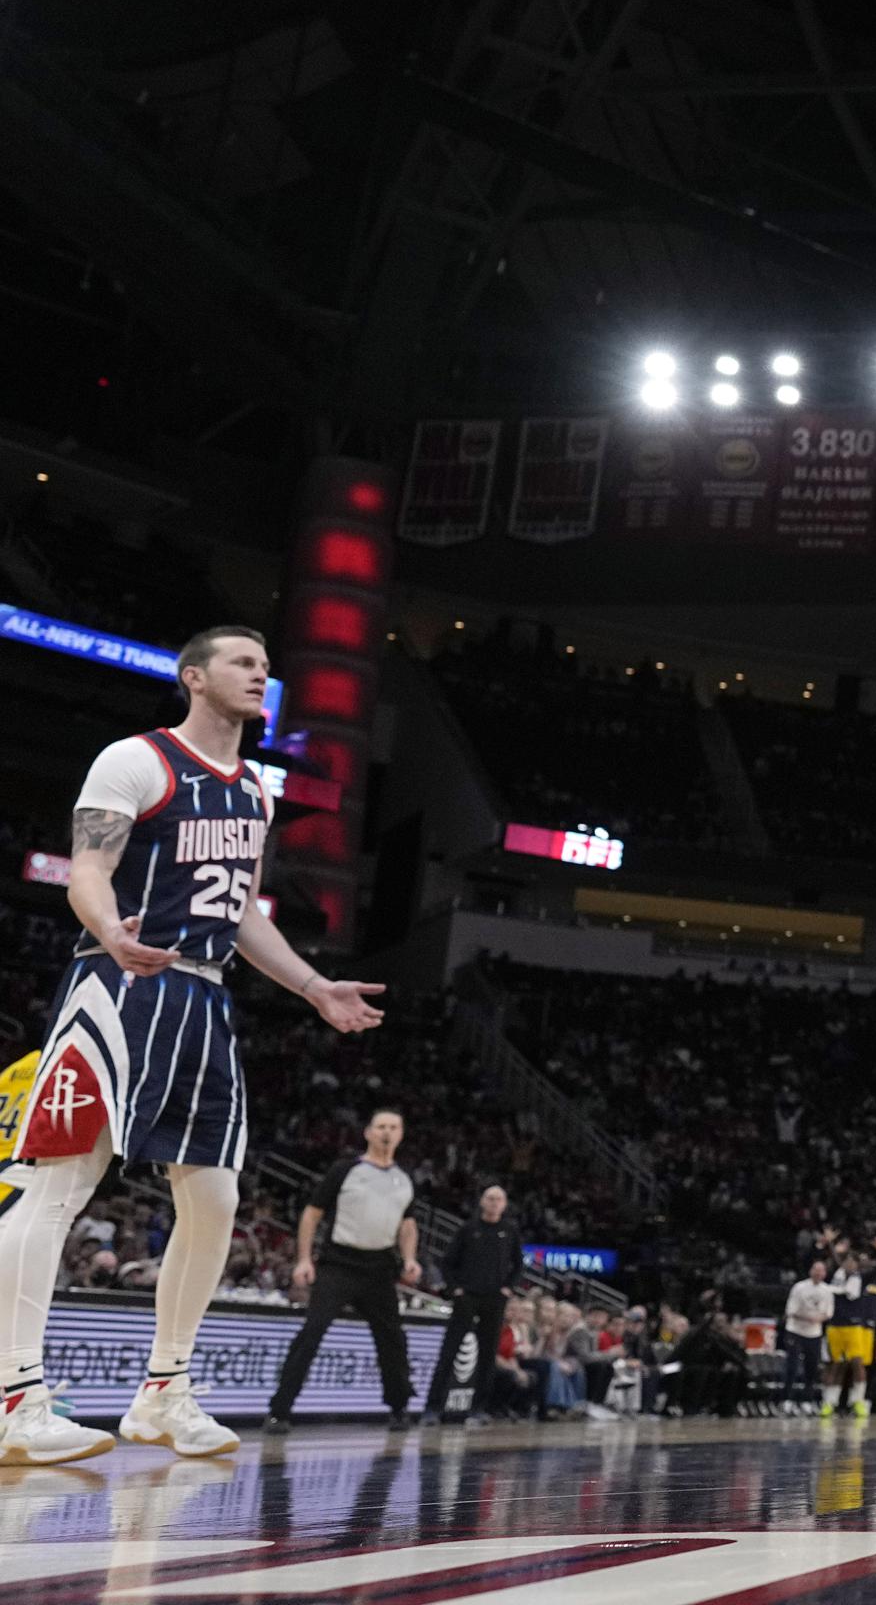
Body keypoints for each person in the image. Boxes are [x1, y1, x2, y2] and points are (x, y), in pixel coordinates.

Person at [0, 627, 384, 1467]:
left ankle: (162, 1394)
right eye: (245, 663)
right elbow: (87, 871)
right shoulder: (134, 760)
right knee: (57, 1188)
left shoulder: (253, 789)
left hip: (203, 1003)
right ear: (194, 677)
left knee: (213, 1201)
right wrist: (110, 931)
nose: (262, 675)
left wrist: (314, 987)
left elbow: (241, 910)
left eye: (266, 664)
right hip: (117, 988)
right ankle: (14, 1399)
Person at [267, 1104, 422, 1431]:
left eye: (393, 1127)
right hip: (340, 1263)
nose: (386, 1132)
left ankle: (398, 1407)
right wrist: (304, 1259)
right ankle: (280, 1410)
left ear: (401, 1135)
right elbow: (312, 1213)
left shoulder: (404, 1180)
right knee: (313, 1331)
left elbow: (408, 1224)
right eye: (380, 1126)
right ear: (368, 1132)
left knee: (392, 1338)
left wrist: (409, 1259)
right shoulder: (345, 1169)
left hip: (380, 1267)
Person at [426, 1183, 525, 1422]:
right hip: (467, 1297)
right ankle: (432, 1407)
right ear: (482, 1201)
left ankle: (479, 1407)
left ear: (504, 1204)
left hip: (494, 1299)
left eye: (498, 1199)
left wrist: (508, 1289)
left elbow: (519, 1265)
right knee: (449, 1351)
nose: (493, 1203)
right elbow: (448, 1262)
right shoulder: (468, 1229)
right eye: (490, 1198)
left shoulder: (509, 1231)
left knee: (487, 1355)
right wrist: (455, 1289)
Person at [823, 1243, 876, 1418]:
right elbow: (833, 1260)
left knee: (857, 1363)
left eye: (852, 1262)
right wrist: (830, 1244)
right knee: (836, 1364)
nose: (849, 1265)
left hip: (854, 1326)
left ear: (857, 1265)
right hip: (835, 1325)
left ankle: (857, 1401)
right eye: (846, 1261)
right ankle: (829, 1402)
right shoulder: (835, 1276)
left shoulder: (862, 1278)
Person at [782, 1258, 834, 1411]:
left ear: (824, 1273)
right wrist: (807, 1317)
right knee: (791, 1366)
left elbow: (828, 1312)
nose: (818, 1273)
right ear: (811, 1271)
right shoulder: (799, 1287)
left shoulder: (827, 1291)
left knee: (811, 1367)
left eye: (821, 1270)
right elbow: (790, 1310)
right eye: (815, 1269)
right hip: (795, 1330)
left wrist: (819, 1319)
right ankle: (786, 1399)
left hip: (814, 1333)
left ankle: (807, 1400)